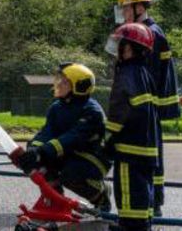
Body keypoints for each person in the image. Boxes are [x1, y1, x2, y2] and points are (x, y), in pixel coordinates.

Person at [11, 63, 111, 211]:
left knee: (70, 174)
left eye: (64, 82)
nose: (59, 84)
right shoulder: (57, 107)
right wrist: (34, 149)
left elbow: (72, 139)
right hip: (69, 154)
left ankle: (101, 195)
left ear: (79, 87)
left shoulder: (91, 112)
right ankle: (55, 199)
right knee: (38, 161)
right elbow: (47, 132)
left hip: (94, 159)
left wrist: (42, 153)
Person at [116, 0, 179, 215]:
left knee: (147, 156)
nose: (123, 14)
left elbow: (149, 76)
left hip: (144, 107)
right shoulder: (140, 32)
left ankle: (153, 203)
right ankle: (152, 202)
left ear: (140, 7)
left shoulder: (150, 34)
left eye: (126, 9)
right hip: (143, 106)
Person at [104, 22, 160, 230]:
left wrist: (109, 138)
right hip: (147, 152)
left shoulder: (125, 75)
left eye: (120, 44)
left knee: (128, 204)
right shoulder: (144, 74)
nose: (117, 49)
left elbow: (119, 110)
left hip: (129, 152)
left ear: (129, 48)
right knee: (143, 203)